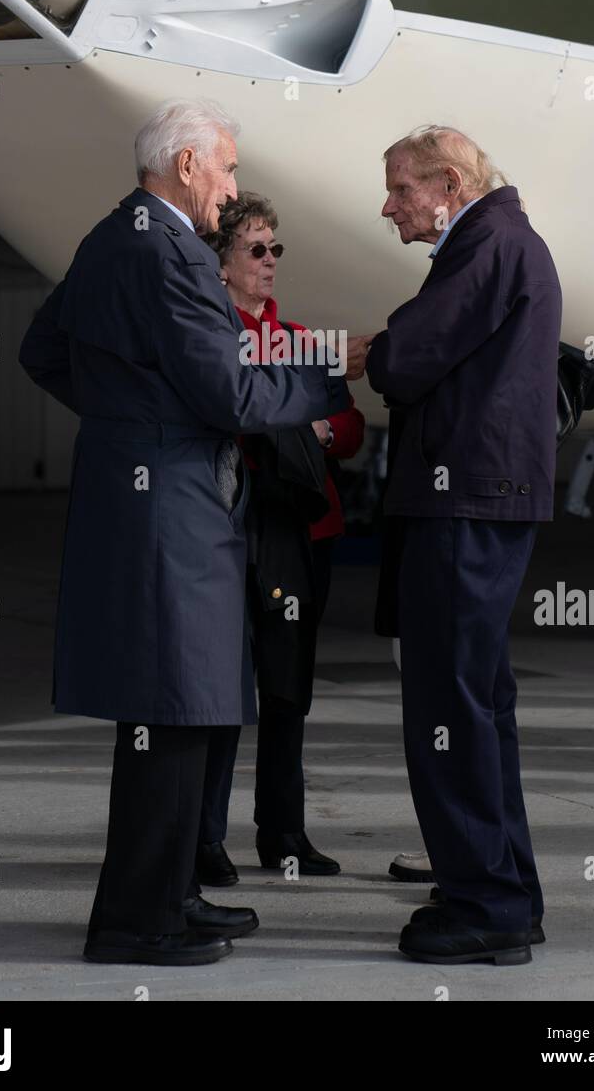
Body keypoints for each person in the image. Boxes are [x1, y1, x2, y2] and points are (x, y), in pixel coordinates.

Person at [19, 98, 349, 967]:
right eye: (229, 168)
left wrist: (126, 416)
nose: (233, 187)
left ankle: (171, 894)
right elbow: (232, 394)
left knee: (182, 710)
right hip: (171, 508)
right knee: (170, 711)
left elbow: (42, 352)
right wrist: (326, 374)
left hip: (153, 495)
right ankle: (136, 923)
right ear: (189, 166)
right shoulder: (165, 252)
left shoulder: (109, 237)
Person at [346, 126, 562, 966]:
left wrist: (386, 345)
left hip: (462, 503)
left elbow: (407, 360)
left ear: (448, 181)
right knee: (479, 704)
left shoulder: (486, 244)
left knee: (450, 706)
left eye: (401, 188)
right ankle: (505, 889)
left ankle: (486, 905)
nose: (389, 206)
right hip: (482, 501)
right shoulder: (507, 241)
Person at [195, 193, 365, 885]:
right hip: (235, 533)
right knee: (223, 691)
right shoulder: (212, 337)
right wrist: (296, 423)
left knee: (288, 691)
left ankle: (284, 835)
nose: (269, 262)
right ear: (224, 266)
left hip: (303, 531)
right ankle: (206, 838)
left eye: (275, 250)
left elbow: (350, 427)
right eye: (255, 251)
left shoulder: (297, 339)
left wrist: (312, 432)